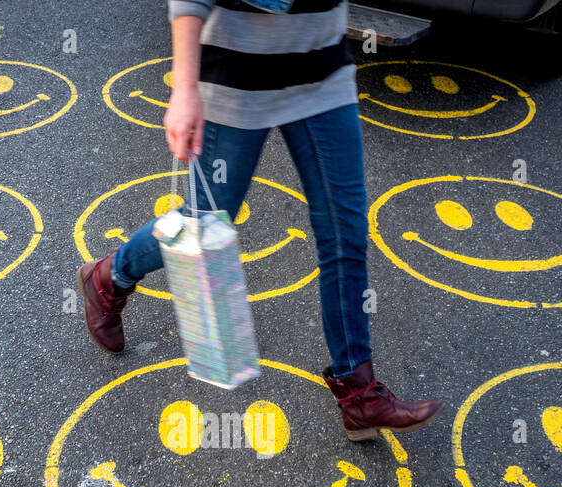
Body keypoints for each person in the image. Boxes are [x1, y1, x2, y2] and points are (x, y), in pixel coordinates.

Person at [78, 0, 443, 441]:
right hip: (237, 76)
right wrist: (185, 87)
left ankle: (358, 394)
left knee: (346, 232)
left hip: (322, 71)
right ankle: (110, 276)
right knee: (204, 222)